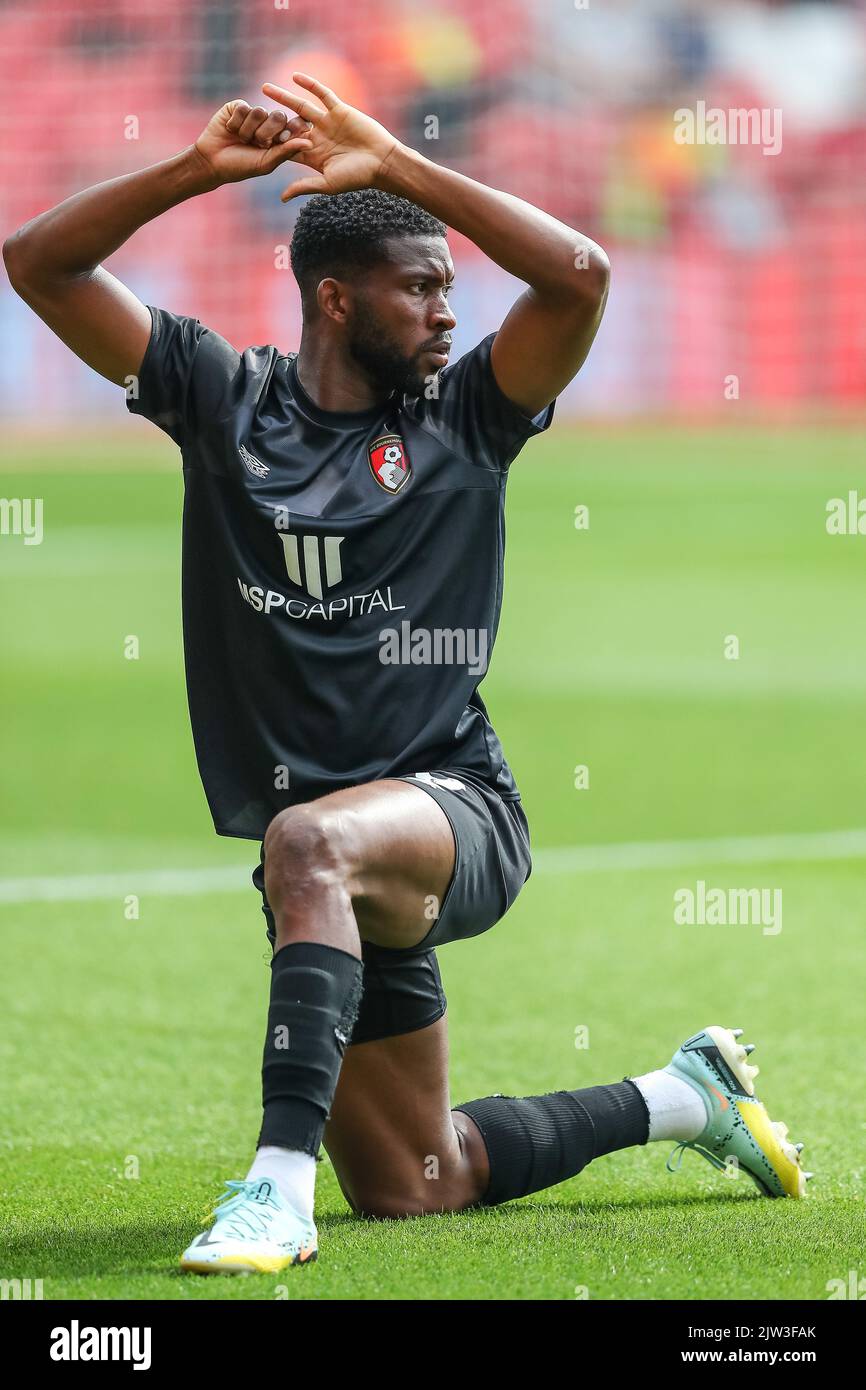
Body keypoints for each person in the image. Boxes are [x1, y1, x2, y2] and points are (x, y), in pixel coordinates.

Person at [3, 73, 807, 1275]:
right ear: (336, 297)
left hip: (451, 814)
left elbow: (579, 275)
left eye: (447, 285)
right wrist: (187, 172)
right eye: (418, 285)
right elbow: (36, 264)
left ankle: (268, 1193)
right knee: (418, 1184)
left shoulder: (465, 417)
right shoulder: (222, 401)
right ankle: (682, 1096)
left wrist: (398, 165)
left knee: (305, 845)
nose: (447, 309)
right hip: (329, 864)